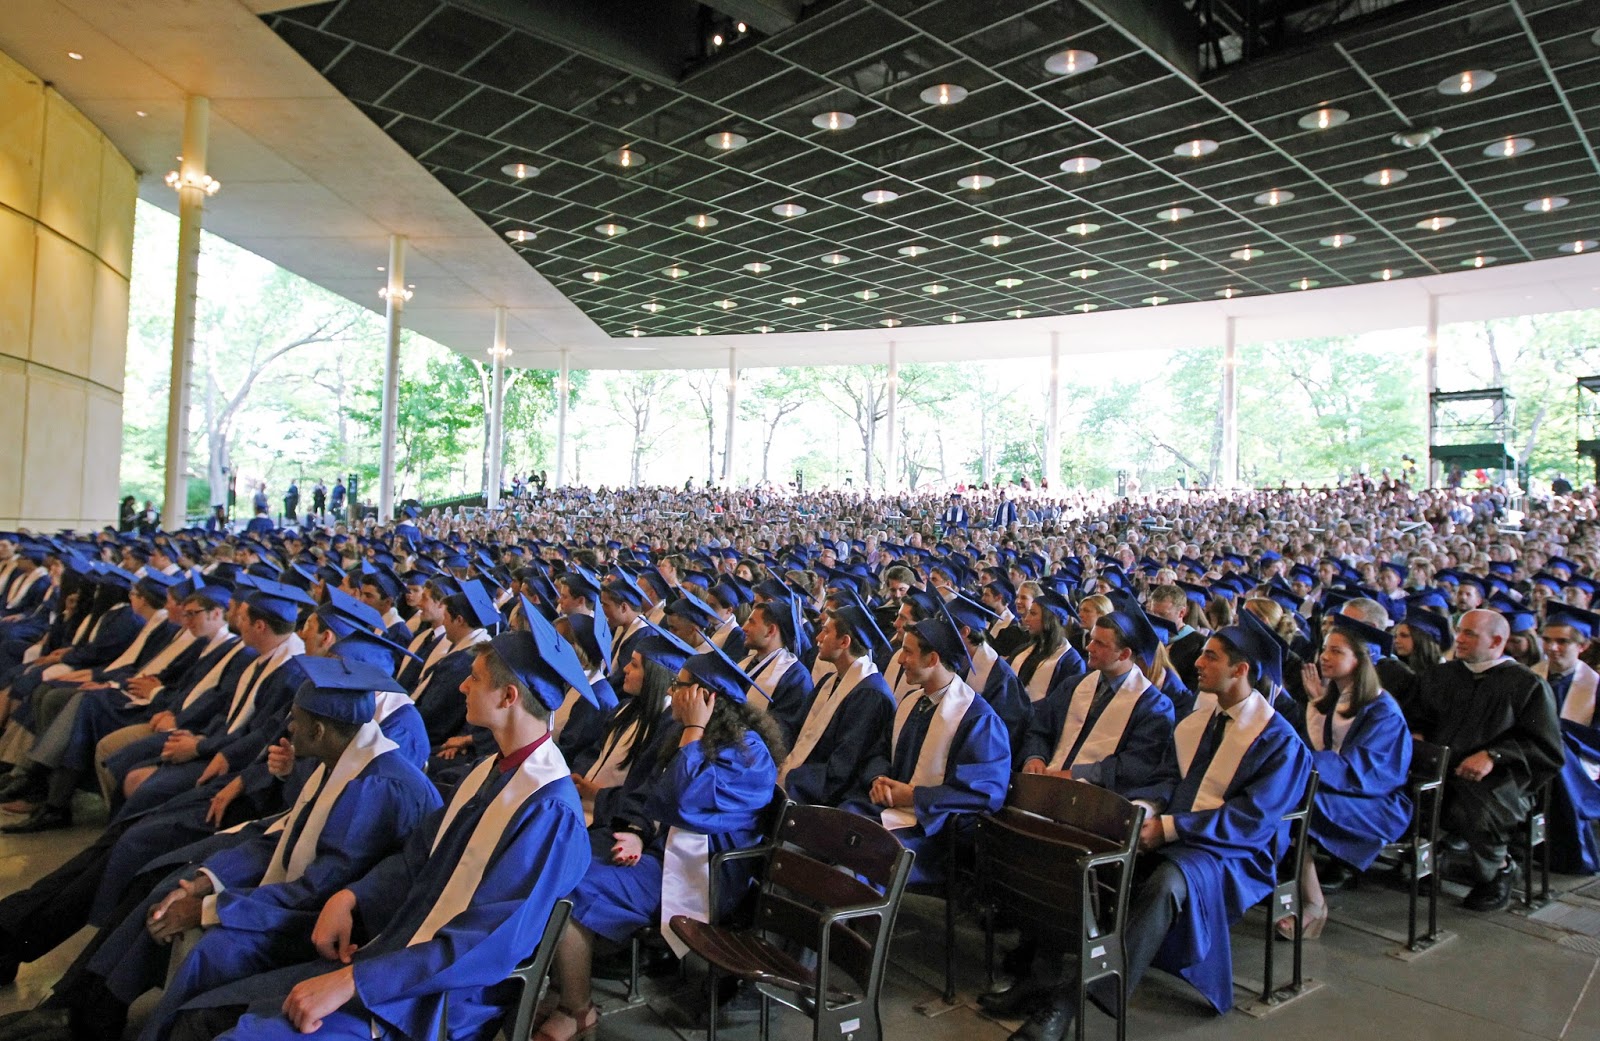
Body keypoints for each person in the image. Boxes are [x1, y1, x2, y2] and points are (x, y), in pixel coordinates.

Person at [170, 622, 595, 1041]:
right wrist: (352, 896)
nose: (462, 687)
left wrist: (355, 981)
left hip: (434, 998)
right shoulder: (491, 769)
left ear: (508, 696)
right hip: (393, 950)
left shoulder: (548, 810)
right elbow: (418, 858)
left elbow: (487, 943)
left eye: (474, 678)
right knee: (206, 1010)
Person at [32, 658, 442, 1041]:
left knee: (216, 949)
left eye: (296, 723)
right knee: (170, 887)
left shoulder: (379, 786)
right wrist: (203, 884)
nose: (288, 732)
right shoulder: (341, 761)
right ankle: (87, 1015)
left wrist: (212, 909)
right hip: (303, 902)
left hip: (335, 927)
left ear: (319, 732)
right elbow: (281, 841)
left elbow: (319, 887)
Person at [1009, 621, 1312, 1040]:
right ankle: (1039, 975)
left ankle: (1069, 999)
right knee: (1076, 852)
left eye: (1211, 656)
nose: (1198, 663)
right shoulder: (1200, 719)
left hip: (1230, 851)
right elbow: (1166, 780)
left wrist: (1168, 828)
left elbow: (1251, 821)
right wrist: (1141, 811)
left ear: (1241, 670)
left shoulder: (1279, 740)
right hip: (1176, 831)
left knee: (1168, 882)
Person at [540, 645, 783, 1041]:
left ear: (706, 697)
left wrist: (693, 730)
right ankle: (558, 985)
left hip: (704, 875)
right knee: (560, 862)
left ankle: (577, 1008)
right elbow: (647, 794)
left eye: (680, 685)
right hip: (660, 853)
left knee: (574, 890)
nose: (671, 692)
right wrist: (636, 830)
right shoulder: (684, 734)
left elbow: (685, 801)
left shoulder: (749, 755)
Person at [1410, 609, 1563, 911]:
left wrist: (1494, 755)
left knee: (1475, 809)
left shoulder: (1526, 685)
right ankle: (1427, 859)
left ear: (1496, 641)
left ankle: (1498, 871)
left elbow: (1544, 746)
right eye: (1460, 631)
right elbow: (1418, 715)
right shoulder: (1443, 675)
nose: (1459, 639)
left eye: (1470, 634)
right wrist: (1416, 734)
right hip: (1437, 765)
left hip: (1500, 776)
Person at [842, 612, 1009, 885]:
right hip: (891, 812)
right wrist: (878, 779)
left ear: (932, 660)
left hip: (934, 831)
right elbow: (880, 751)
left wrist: (915, 796)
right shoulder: (911, 702)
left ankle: (853, 920)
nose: (899, 659)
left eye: (907, 652)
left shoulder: (978, 719)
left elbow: (984, 793)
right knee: (839, 822)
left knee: (865, 848)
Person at [1292, 614, 1413, 937]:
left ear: (1362, 660)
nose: (1323, 657)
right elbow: (1322, 750)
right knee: (1282, 795)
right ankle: (1292, 891)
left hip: (1378, 803)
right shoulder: (1337, 698)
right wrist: (1316, 705)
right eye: (1325, 649)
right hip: (1340, 789)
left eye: (1336, 651)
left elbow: (1363, 771)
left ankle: (1313, 902)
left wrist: (1300, 763)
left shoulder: (1382, 711)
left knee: (1292, 802)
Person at [780, 605, 895, 806]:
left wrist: (791, 778)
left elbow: (843, 768)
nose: (818, 638)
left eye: (825, 631)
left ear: (844, 641)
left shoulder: (870, 695)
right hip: (805, 772)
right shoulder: (830, 680)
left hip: (826, 792)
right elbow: (795, 728)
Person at [1535, 604, 1600, 874]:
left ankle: (1570, 854)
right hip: (1533, 751)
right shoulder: (1530, 675)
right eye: (1547, 640)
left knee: (1559, 764)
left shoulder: (1595, 685)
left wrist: (1560, 733)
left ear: (1582, 646)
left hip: (1583, 758)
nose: (1552, 648)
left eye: (1562, 642)